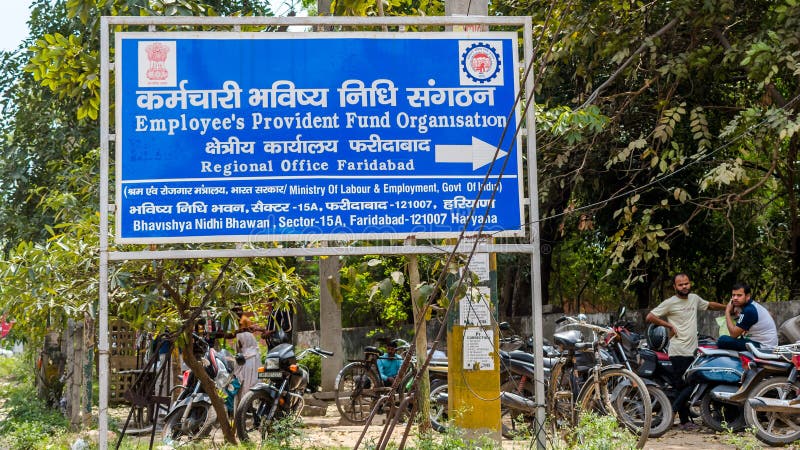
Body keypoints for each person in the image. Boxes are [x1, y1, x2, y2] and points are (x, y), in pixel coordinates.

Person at [646, 273, 726, 431]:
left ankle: (683, 421)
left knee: (683, 386)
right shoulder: (670, 303)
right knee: (690, 384)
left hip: (692, 350)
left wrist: (728, 308)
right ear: (675, 287)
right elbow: (650, 316)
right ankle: (673, 414)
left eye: (686, 283)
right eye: (681, 284)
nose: (684, 287)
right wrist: (669, 326)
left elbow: (709, 305)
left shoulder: (694, 299)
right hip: (678, 351)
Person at [717, 283, 778, 351]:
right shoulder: (751, 306)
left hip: (764, 346)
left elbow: (733, 334)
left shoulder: (749, 310)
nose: (735, 298)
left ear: (748, 296)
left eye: (739, 295)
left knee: (723, 340)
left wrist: (727, 311)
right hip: (764, 343)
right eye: (733, 295)